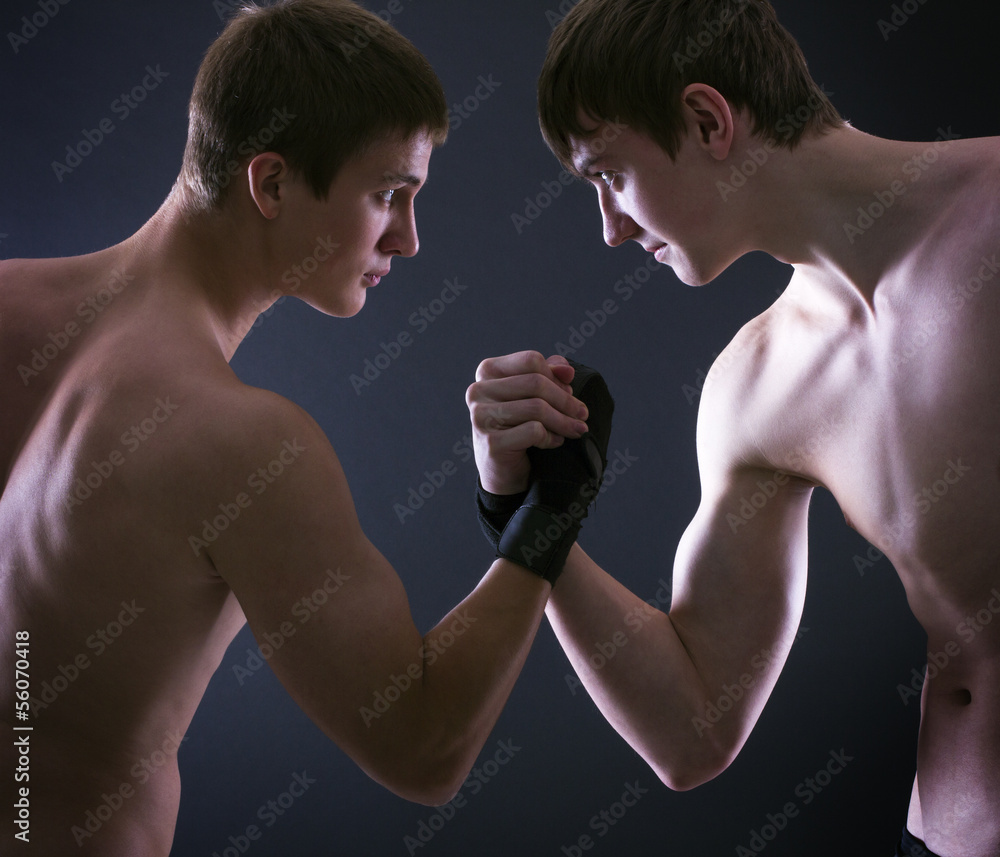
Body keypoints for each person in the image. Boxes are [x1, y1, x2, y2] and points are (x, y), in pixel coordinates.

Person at [0, 2, 598, 854]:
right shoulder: (241, 444)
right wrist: (541, 517)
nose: (411, 238)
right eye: (389, 193)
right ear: (272, 182)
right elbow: (422, 746)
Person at [465, 1, 1000, 855]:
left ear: (708, 119)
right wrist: (534, 523)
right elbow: (693, 730)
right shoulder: (756, 387)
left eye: (609, 174)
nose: (609, 228)